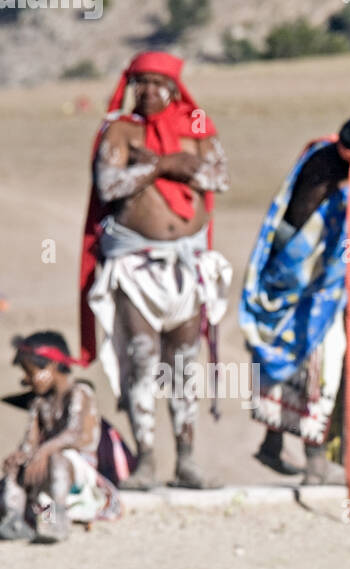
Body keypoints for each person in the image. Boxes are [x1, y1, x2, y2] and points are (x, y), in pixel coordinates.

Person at [80, 51, 231, 490]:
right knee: (142, 358)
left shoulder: (197, 125)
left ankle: (186, 459)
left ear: (173, 87)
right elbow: (109, 185)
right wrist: (166, 165)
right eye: (139, 82)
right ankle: (145, 458)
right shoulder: (119, 129)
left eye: (156, 83)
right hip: (134, 263)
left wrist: (151, 166)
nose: (147, 91)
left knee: (183, 364)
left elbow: (218, 177)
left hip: (186, 262)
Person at [241, 117, 350, 484]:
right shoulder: (336, 179)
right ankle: (314, 461)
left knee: (293, 357)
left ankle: (273, 443)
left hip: (298, 281)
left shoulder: (322, 155)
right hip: (314, 290)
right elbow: (305, 228)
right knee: (320, 366)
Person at [2, 333, 120, 543]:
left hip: (78, 471)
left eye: (31, 373)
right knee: (16, 468)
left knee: (57, 458)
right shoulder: (40, 403)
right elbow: (29, 441)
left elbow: (73, 434)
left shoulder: (79, 392)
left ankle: (59, 520)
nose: (25, 380)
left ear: (53, 366)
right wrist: (20, 457)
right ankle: (14, 519)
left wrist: (45, 450)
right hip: (45, 471)